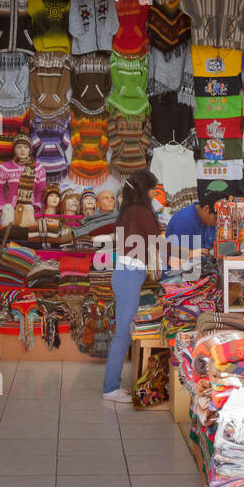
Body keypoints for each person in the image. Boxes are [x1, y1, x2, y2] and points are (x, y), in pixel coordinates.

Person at [103, 169, 161, 403]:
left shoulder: (128, 210)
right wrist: (191, 253)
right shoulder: (140, 211)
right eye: (153, 190)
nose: (154, 194)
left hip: (126, 273)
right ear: (145, 190)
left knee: (123, 333)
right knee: (122, 334)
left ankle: (111, 386)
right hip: (128, 275)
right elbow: (159, 241)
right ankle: (109, 388)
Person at [164, 181, 226, 275]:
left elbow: (210, 248)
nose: (217, 223)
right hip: (178, 276)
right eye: (216, 218)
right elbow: (176, 261)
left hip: (200, 270)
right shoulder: (184, 222)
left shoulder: (209, 221)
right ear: (206, 209)